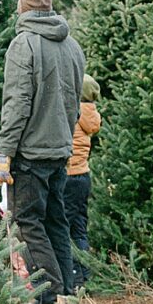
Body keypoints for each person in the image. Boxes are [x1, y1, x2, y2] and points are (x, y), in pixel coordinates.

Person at [0, 0, 84, 304]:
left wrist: (4, 151)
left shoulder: (24, 44)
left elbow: (17, 103)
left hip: (30, 154)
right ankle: (67, 293)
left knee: (27, 224)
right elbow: (75, 103)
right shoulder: (72, 45)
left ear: (22, 10)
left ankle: (46, 295)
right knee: (56, 221)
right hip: (60, 151)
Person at [63, 75, 101, 288]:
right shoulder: (90, 115)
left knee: (63, 228)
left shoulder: (71, 112)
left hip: (67, 177)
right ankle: (84, 275)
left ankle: (73, 278)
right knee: (79, 227)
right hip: (83, 176)